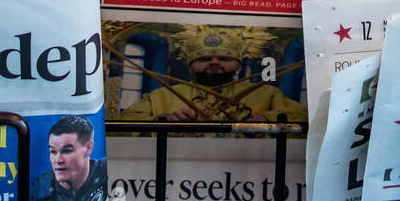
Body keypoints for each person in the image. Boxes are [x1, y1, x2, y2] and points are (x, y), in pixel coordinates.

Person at [119, 26, 307, 124]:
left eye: (224, 58)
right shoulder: (161, 96)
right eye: (205, 59)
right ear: (191, 67)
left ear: (239, 66)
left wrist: (268, 120)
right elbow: (122, 126)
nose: (214, 62)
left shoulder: (267, 94)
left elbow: (305, 118)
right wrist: (163, 120)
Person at [31, 115, 107, 201]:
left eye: (67, 151)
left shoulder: (105, 171)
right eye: (53, 151)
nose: (58, 160)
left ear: (88, 148)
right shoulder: (40, 189)